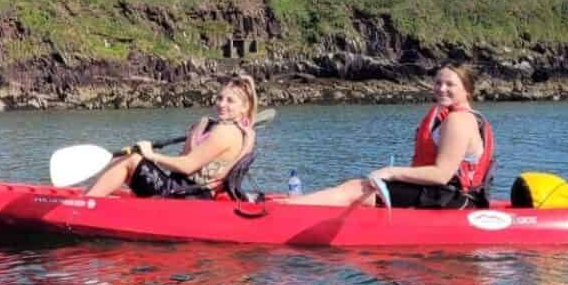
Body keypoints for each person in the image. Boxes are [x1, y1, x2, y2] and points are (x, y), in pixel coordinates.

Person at [284, 65, 494, 209]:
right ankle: (298, 204)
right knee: (358, 186)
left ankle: (283, 210)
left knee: (357, 189)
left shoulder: (458, 121)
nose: (441, 89)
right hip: (447, 195)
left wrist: (391, 173)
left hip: (452, 199)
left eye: (450, 85)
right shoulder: (463, 117)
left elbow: (441, 175)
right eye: (438, 82)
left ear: (467, 90)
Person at [84, 74, 258, 199]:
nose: (221, 104)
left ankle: (83, 205)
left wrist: (151, 155)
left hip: (186, 196)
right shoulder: (225, 128)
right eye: (220, 98)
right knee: (128, 165)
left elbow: (187, 166)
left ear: (245, 107)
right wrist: (196, 133)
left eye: (230, 101)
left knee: (131, 159)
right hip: (181, 187)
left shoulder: (225, 132)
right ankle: (91, 198)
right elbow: (184, 160)